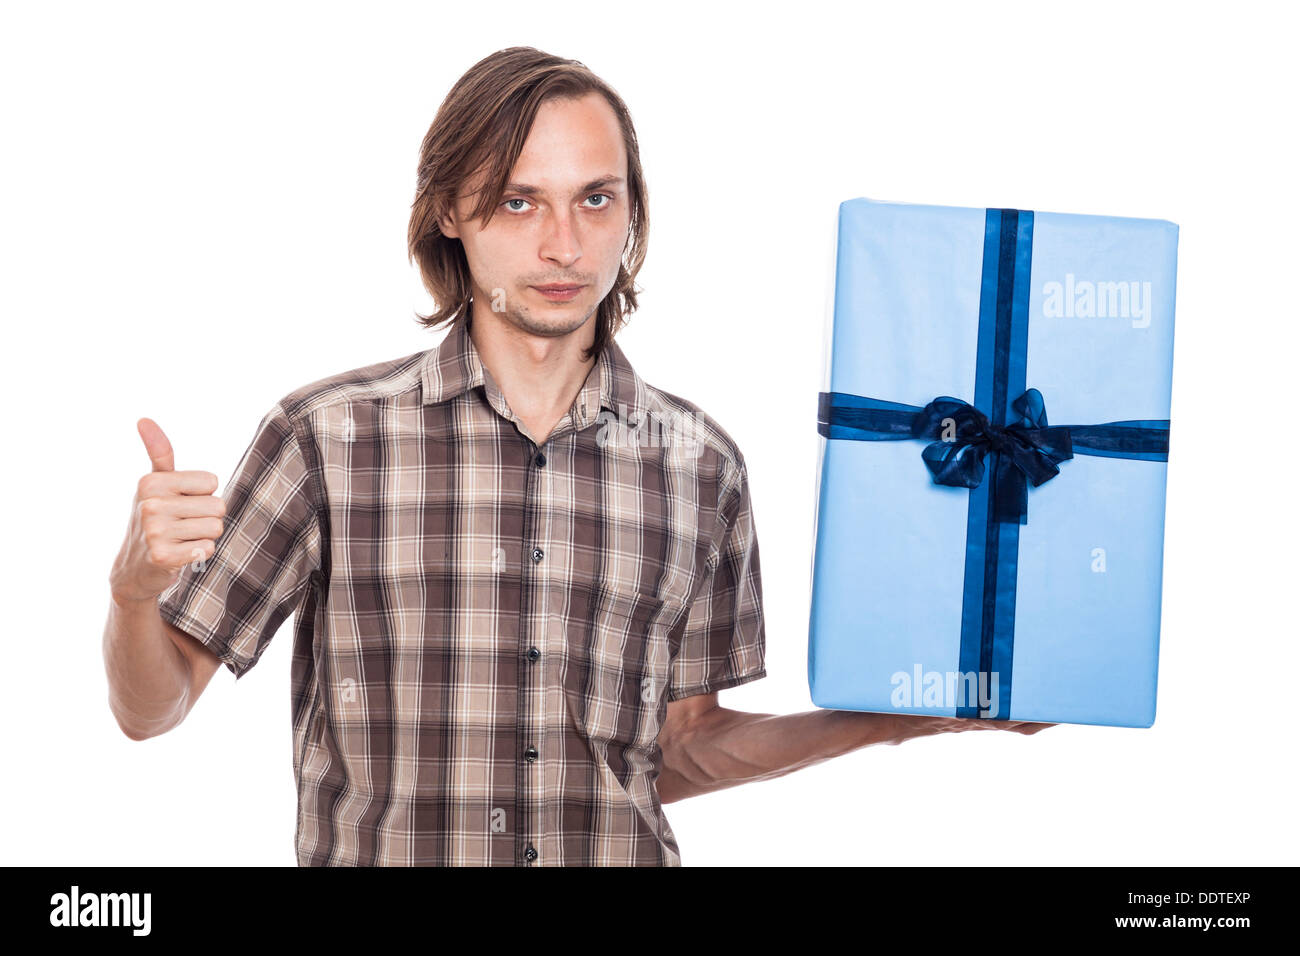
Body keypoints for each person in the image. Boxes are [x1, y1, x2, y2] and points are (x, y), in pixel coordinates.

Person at [104, 46, 1052, 867]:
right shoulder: (324, 438)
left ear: (630, 210)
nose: (564, 246)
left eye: (595, 199)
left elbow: (683, 752)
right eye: (519, 202)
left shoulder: (701, 465)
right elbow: (152, 710)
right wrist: (134, 593)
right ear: (449, 213)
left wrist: (909, 717)